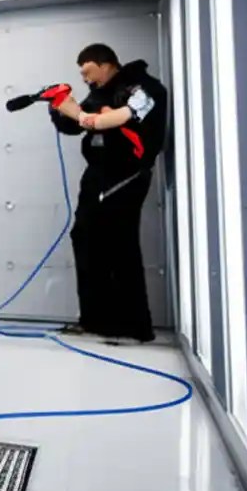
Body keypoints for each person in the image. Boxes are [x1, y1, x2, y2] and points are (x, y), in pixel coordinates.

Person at [47, 43, 169, 343]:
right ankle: (95, 319)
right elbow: (76, 125)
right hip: (97, 176)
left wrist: (88, 116)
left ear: (105, 64)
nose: (86, 80)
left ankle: (135, 326)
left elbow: (109, 119)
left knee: (120, 243)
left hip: (126, 175)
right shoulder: (98, 94)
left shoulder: (144, 88)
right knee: (85, 238)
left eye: (89, 72)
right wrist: (59, 109)